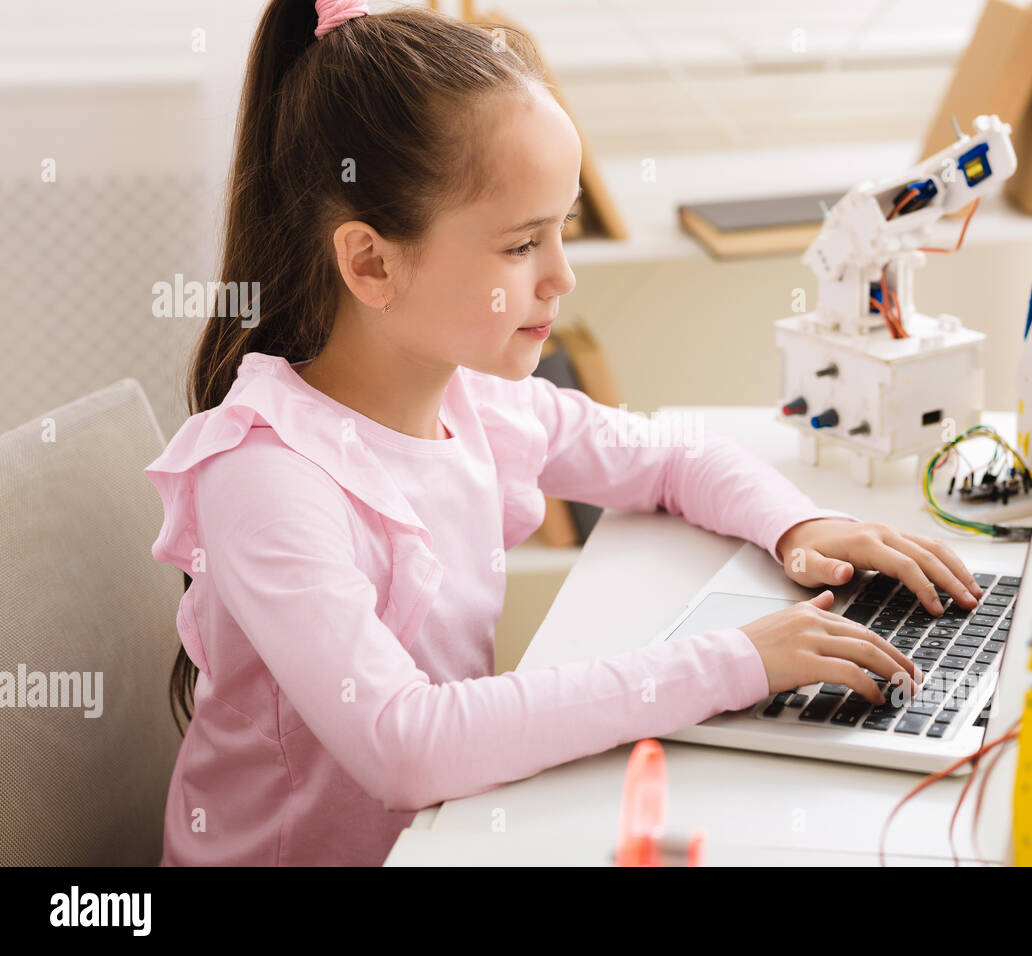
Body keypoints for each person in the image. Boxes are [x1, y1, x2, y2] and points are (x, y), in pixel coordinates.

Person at [145, 0, 984, 866]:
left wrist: (798, 526)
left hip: (443, 838)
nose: (562, 275)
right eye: (521, 245)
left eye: (563, 229)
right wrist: (735, 662)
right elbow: (406, 743)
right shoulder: (266, 475)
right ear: (370, 263)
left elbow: (670, 457)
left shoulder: (474, 400)